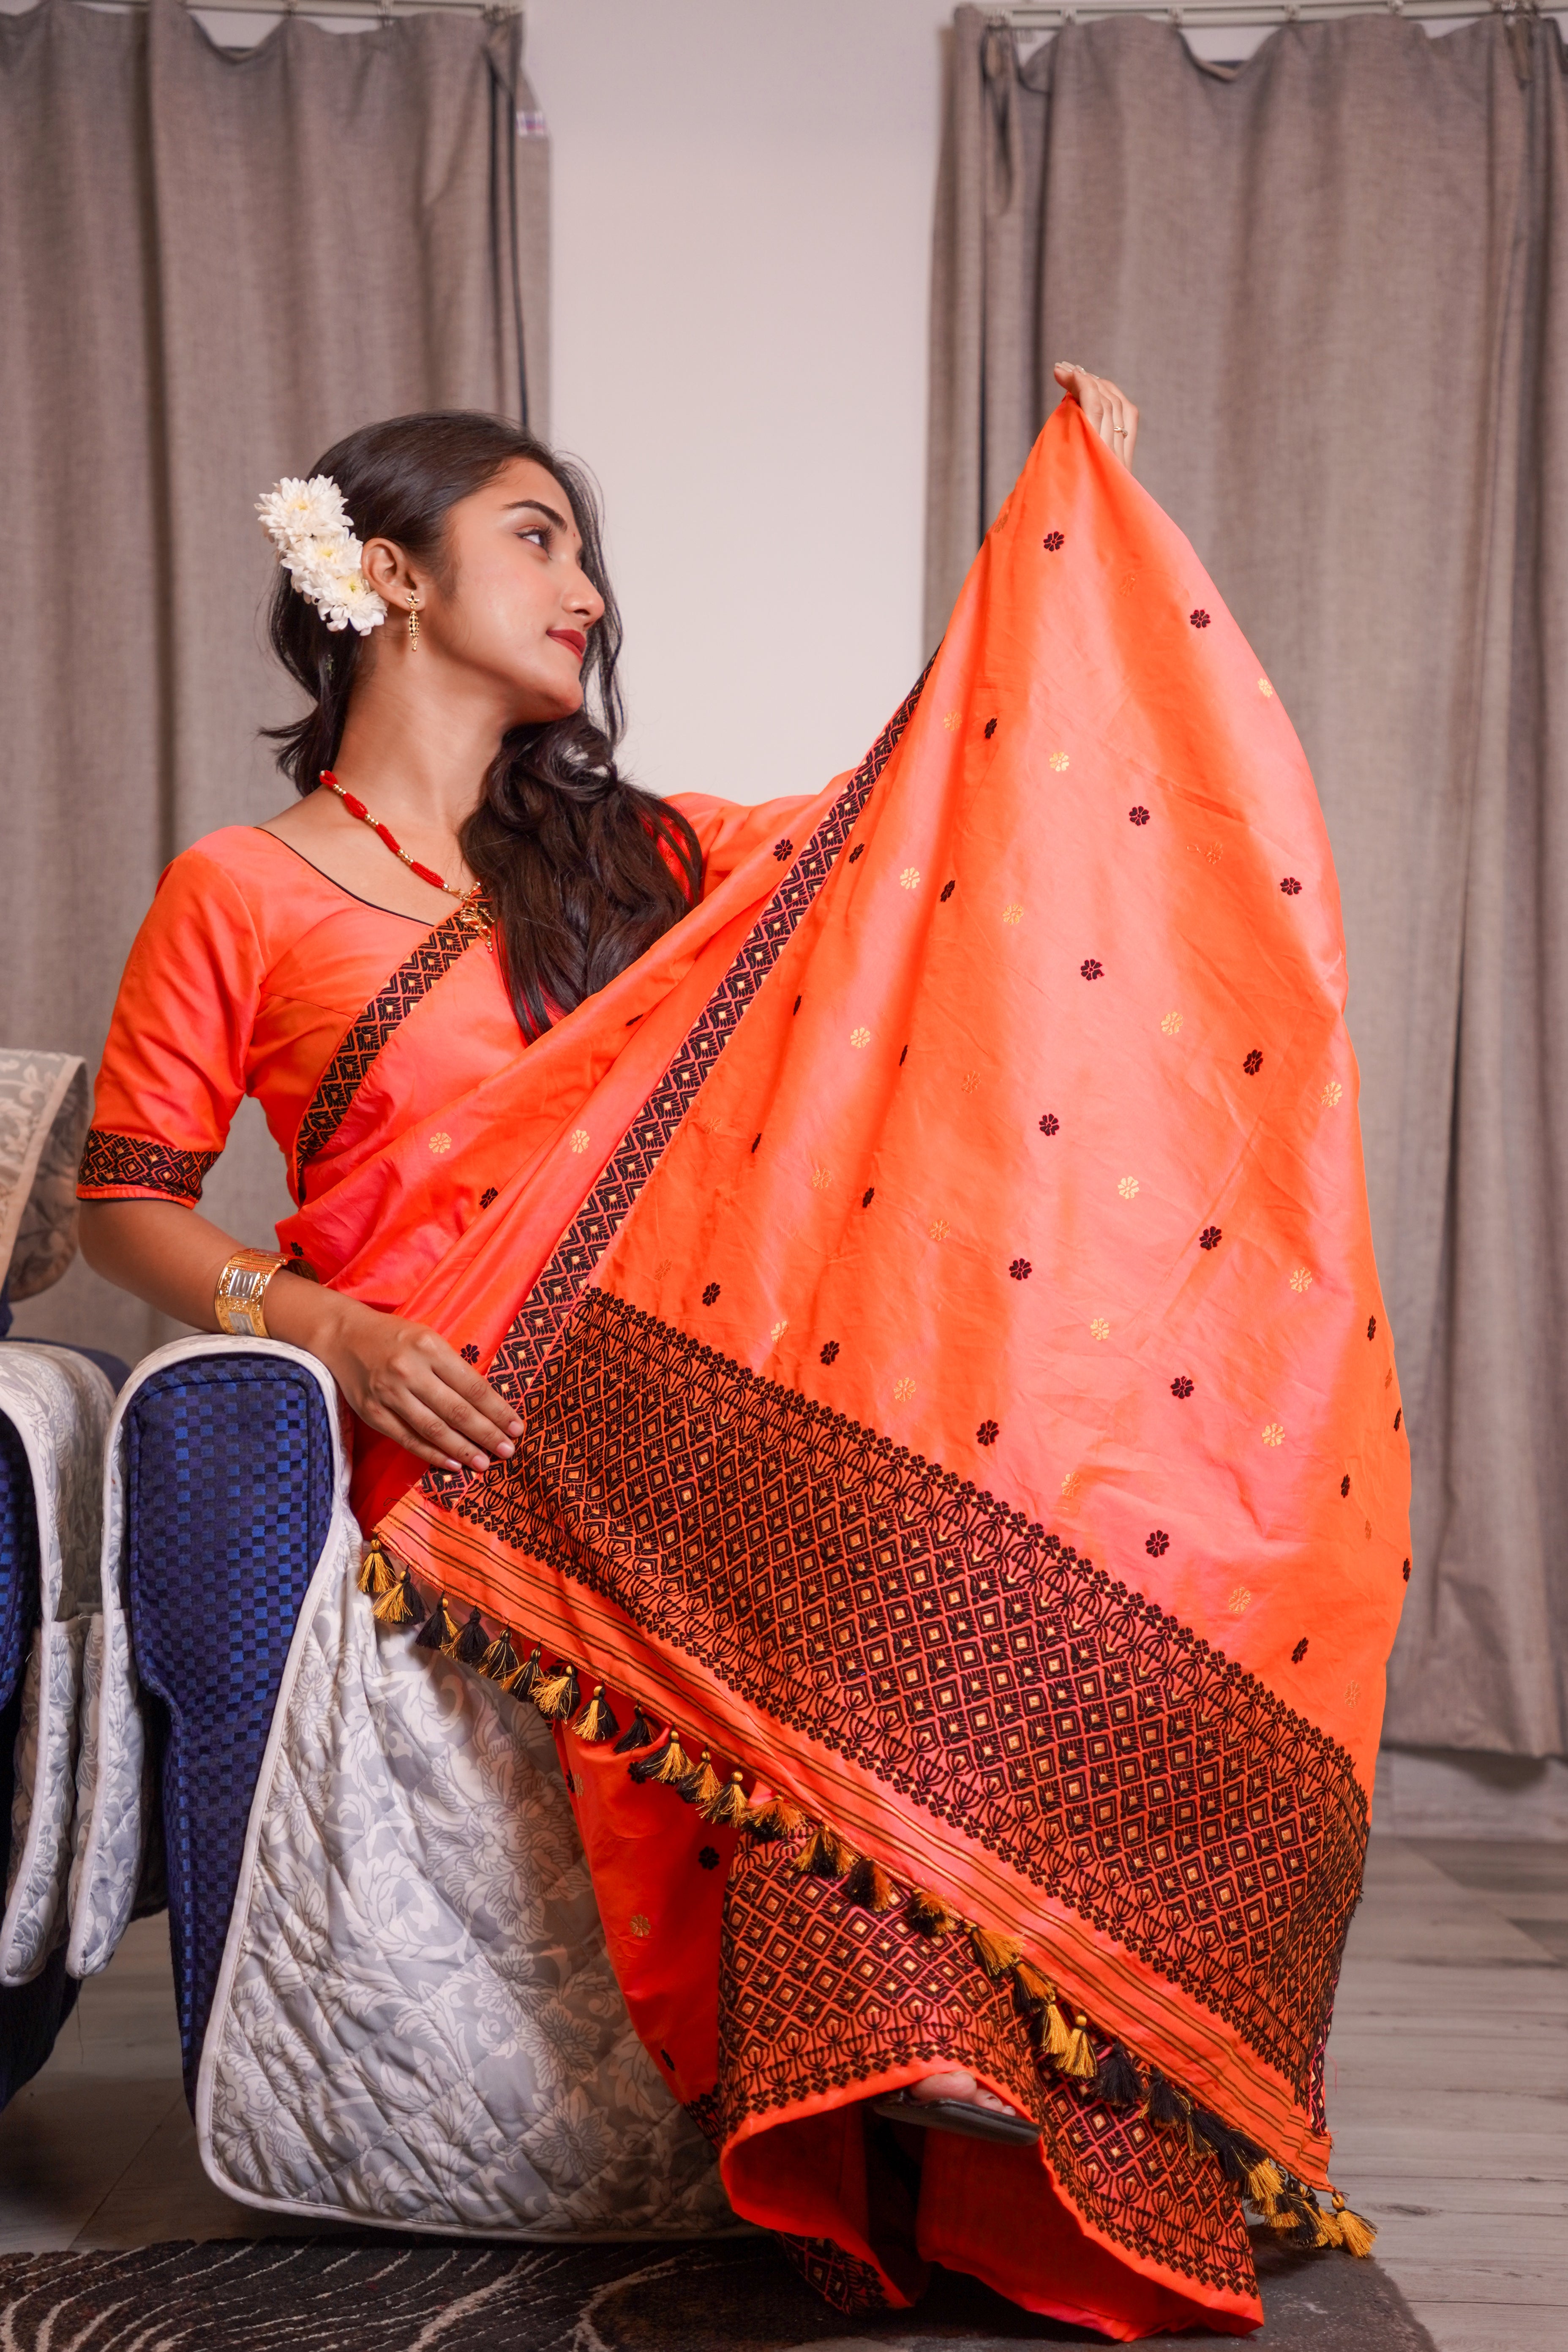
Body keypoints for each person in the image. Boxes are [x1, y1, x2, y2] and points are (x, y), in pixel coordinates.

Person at [79, 367, 1399, 2338]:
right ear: (385, 576)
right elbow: (130, 1204)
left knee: (917, 1554)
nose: (588, 587)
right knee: (811, 1591)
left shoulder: (661, 860)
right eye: (536, 537)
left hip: (658, 1414)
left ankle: (976, 2096)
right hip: (444, 1427)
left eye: (588, 550)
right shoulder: (242, 893)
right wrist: (333, 1330)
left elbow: (942, 811)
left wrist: (1071, 545)